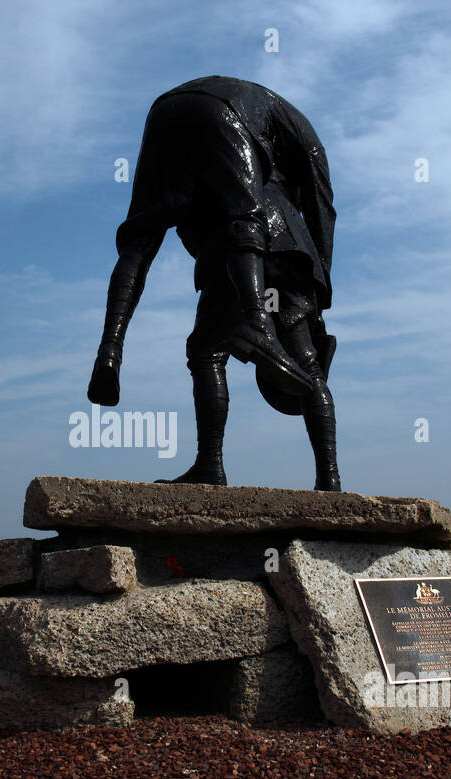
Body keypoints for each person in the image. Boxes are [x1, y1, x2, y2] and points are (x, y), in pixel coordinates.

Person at [88, 75, 341, 490]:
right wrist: (321, 276)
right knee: (307, 360)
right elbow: (320, 187)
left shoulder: (243, 162)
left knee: (201, 339)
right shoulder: (288, 132)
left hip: (165, 117)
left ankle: (110, 352)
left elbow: (158, 234)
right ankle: (328, 479)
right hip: (279, 250)